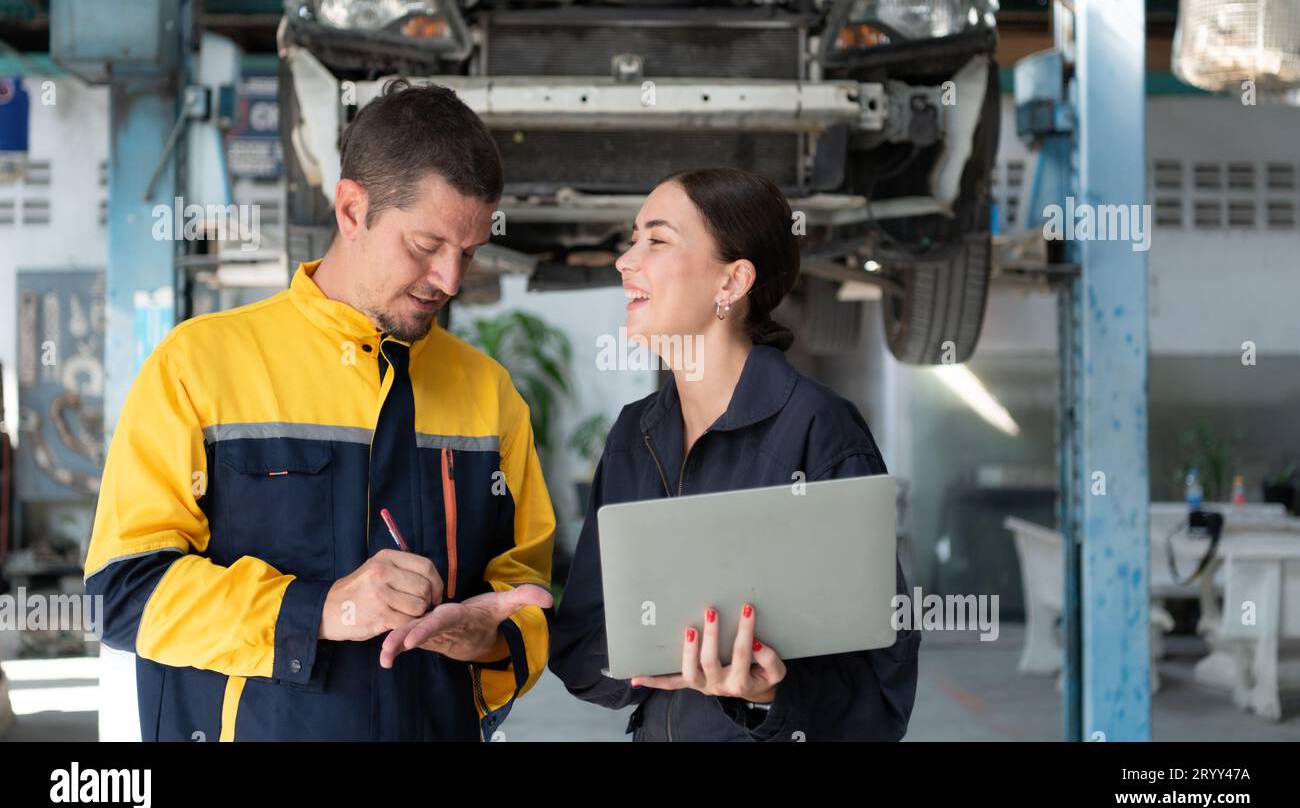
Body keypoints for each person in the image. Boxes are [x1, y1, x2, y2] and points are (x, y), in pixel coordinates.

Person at [84, 80, 554, 742]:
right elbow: (124, 594)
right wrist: (320, 609)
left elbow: (523, 589)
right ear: (352, 209)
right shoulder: (199, 366)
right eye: (425, 246)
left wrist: (491, 637)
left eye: (468, 252)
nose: (450, 280)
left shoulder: (488, 391)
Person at [549, 167, 920, 741]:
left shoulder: (818, 429)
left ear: (732, 282)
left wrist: (771, 696)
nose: (626, 260)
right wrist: (663, 660)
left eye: (656, 238)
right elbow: (579, 656)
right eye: (632, 238)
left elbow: (881, 690)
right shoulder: (633, 435)